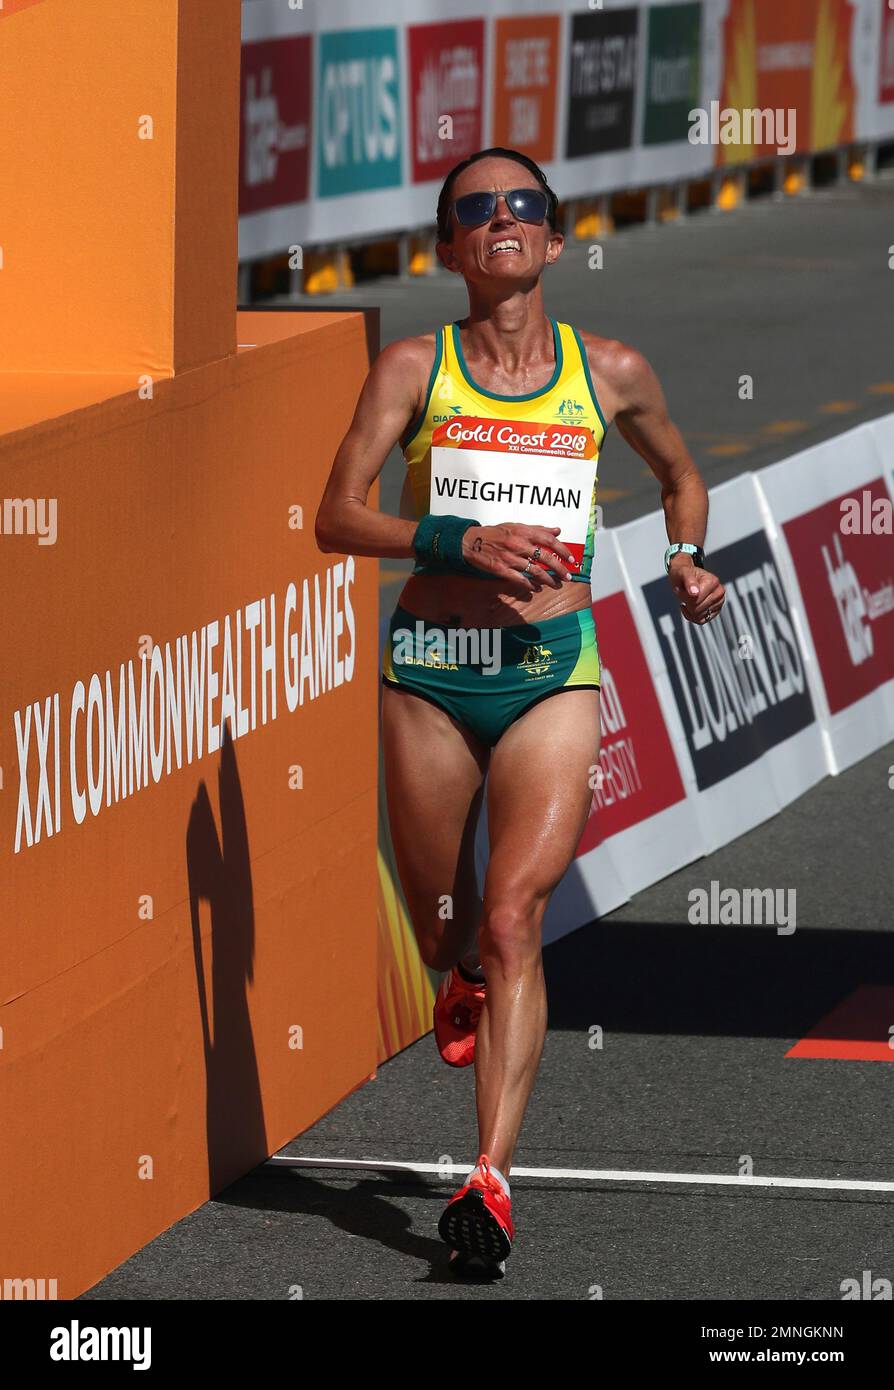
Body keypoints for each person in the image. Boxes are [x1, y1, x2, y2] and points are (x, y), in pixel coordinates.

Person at [315, 146, 726, 1277]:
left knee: (513, 922)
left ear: (552, 238)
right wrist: (455, 540)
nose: (501, 221)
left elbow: (681, 473)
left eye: (523, 207)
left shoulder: (614, 371)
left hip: (552, 668)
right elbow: (333, 517)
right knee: (451, 929)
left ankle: (487, 1183)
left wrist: (688, 554)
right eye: (473, 211)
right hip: (434, 670)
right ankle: (454, 975)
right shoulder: (412, 367)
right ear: (448, 248)